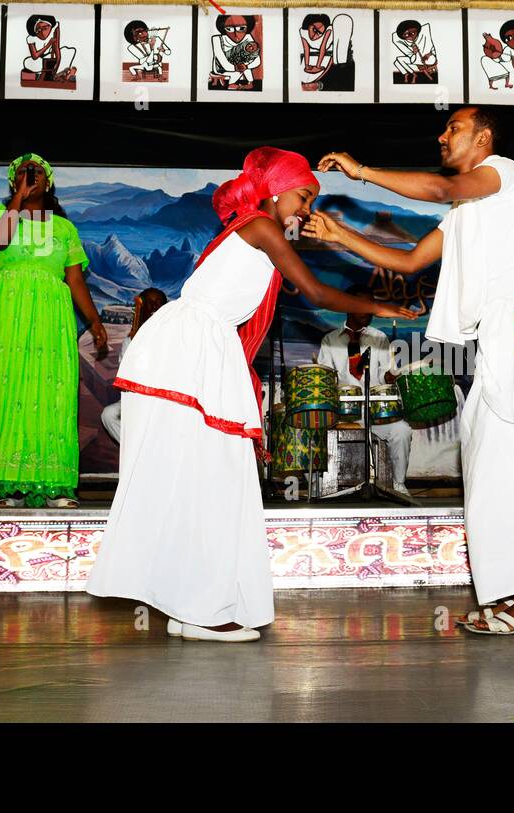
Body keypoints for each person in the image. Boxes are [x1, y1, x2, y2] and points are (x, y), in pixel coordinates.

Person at [87, 148, 417, 643]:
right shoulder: (260, 226)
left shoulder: (255, 231)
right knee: (206, 480)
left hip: (195, 354)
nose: (306, 208)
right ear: (277, 190)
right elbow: (318, 294)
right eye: (304, 196)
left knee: (206, 480)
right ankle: (199, 608)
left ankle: (190, 605)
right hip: (187, 355)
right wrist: (385, 309)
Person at [304, 106, 514, 635]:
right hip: (503, 343)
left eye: (453, 128)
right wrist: (340, 234)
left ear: (483, 138)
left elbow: (439, 188)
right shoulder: (465, 212)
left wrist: (363, 171)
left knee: (513, 466)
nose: (442, 135)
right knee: (489, 469)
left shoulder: (504, 173)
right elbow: (412, 262)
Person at [0, 153, 107, 509]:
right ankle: (6, 488)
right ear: (13, 182)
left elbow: (75, 278)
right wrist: (17, 199)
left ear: (49, 181)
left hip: (50, 314)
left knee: (52, 394)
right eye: (22, 174)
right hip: (5, 313)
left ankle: (55, 486)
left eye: (36, 173)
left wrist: (94, 320)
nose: (30, 178)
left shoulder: (64, 229)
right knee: (5, 393)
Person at [315, 290, 413, 492]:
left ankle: (398, 483)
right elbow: (324, 380)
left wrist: (390, 376)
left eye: (372, 306)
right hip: (342, 415)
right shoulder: (330, 340)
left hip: (375, 413)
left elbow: (386, 372)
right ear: (350, 305)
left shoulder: (379, 338)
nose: (369, 310)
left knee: (402, 430)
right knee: (315, 427)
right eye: (365, 305)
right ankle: (320, 483)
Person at [101, 288, 167, 443]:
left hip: (164, 398)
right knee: (109, 414)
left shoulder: (173, 336)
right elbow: (126, 379)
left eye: (159, 303)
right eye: (149, 303)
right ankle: (137, 451)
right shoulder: (130, 341)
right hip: (136, 396)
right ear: (141, 307)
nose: (154, 307)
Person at [209, 14, 260, 90]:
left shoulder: (248, 37)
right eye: (229, 29)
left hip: (241, 65)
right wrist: (235, 68)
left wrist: (246, 66)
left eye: (241, 28)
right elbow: (222, 60)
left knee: (247, 70)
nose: (236, 34)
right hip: (221, 68)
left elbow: (257, 60)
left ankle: (250, 83)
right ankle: (231, 85)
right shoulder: (217, 39)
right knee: (238, 72)